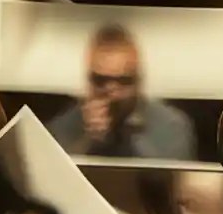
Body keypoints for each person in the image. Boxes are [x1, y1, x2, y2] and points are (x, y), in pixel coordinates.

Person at [47, 24, 195, 160]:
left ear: (138, 81)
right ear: (89, 80)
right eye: (100, 80)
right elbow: (53, 175)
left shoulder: (171, 125)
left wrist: (128, 136)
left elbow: (169, 180)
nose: (112, 92)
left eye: (123, 81)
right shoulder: (65, 125)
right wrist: (88, 140)